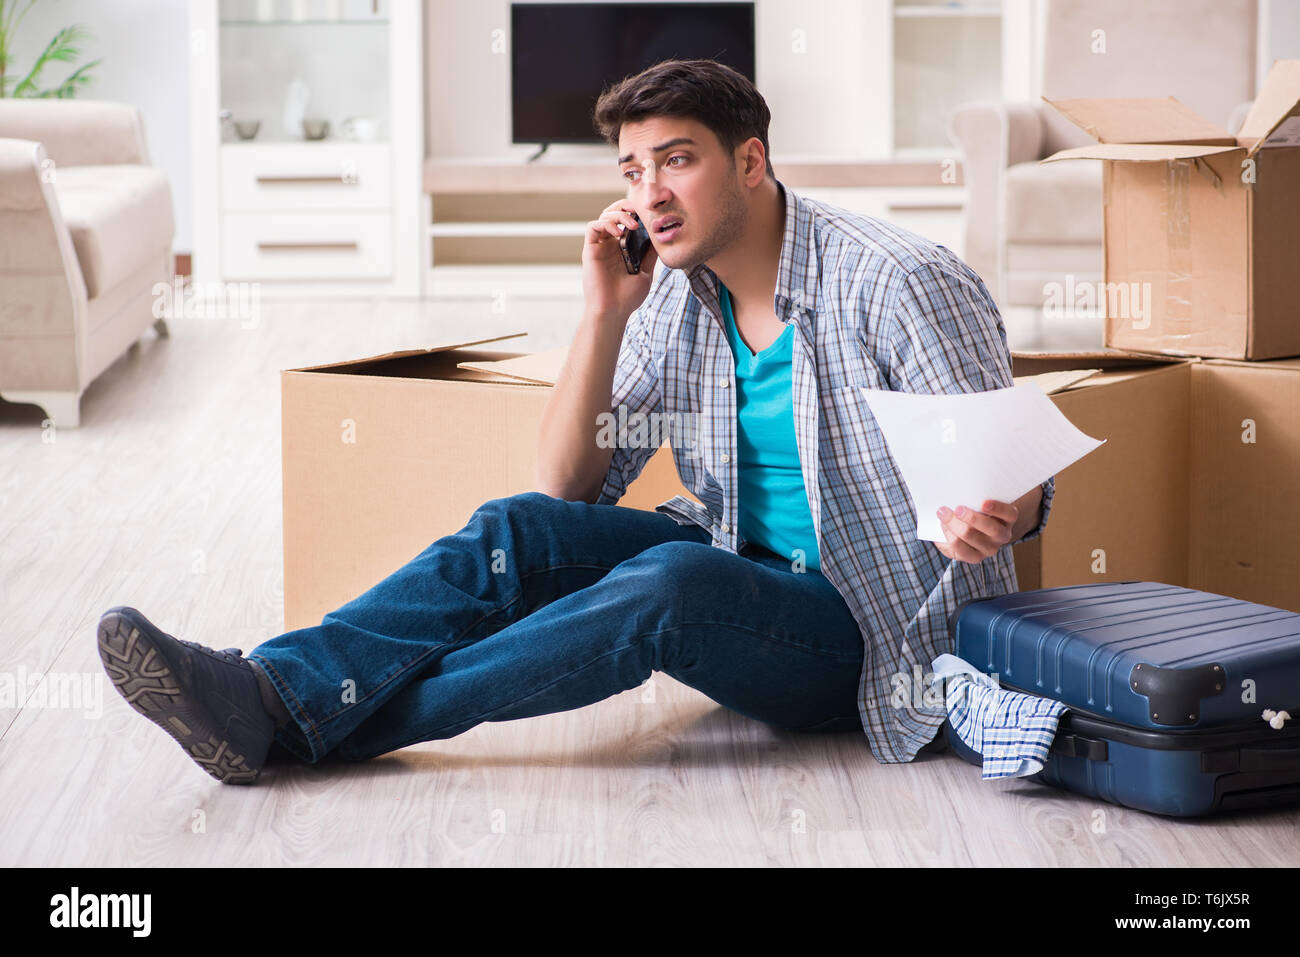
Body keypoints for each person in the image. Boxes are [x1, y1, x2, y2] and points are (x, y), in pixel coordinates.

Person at [97, 58, 1052, 785]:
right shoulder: (673, 294)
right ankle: (275, 690)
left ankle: (288, 722)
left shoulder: (898, 282)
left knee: (670, 579)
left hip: (871, 630)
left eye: (677, 161)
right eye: (634, 171)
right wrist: (604, 313)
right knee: (520, 531)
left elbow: (1018, 476)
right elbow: (565, 488)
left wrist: (999, 505)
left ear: (751, 161)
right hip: (738, 564)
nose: (650, 195)